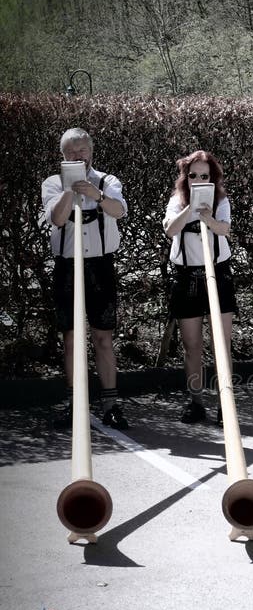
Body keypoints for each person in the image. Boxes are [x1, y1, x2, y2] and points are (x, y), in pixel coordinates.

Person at [42, 127, 129, 429]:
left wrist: (97, 194)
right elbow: (56, 218)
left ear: (91, 151)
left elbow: (119, 211)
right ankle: (75, 404)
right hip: (68, 268)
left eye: (83, 150)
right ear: (63, 155)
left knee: (103, 338)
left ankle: (111, 404)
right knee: (71, 339)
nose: (79, 156)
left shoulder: (108, 181)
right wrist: (70, 188)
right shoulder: (52, 183)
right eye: (72, 151)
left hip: (100, 267)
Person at [163, 149, 236, 424]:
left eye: (204, 176)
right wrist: (189, 208)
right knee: (192, 345)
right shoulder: (176, 201)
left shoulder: (221, 200)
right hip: (187, 276)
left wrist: (206, 216)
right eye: (193, 175)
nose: (198, 180)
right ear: (185, 177)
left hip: (218, 273)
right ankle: (196, 402)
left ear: (213, 177)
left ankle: (225, 403)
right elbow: (170, 229)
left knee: (221, 343)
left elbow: (224, 229)